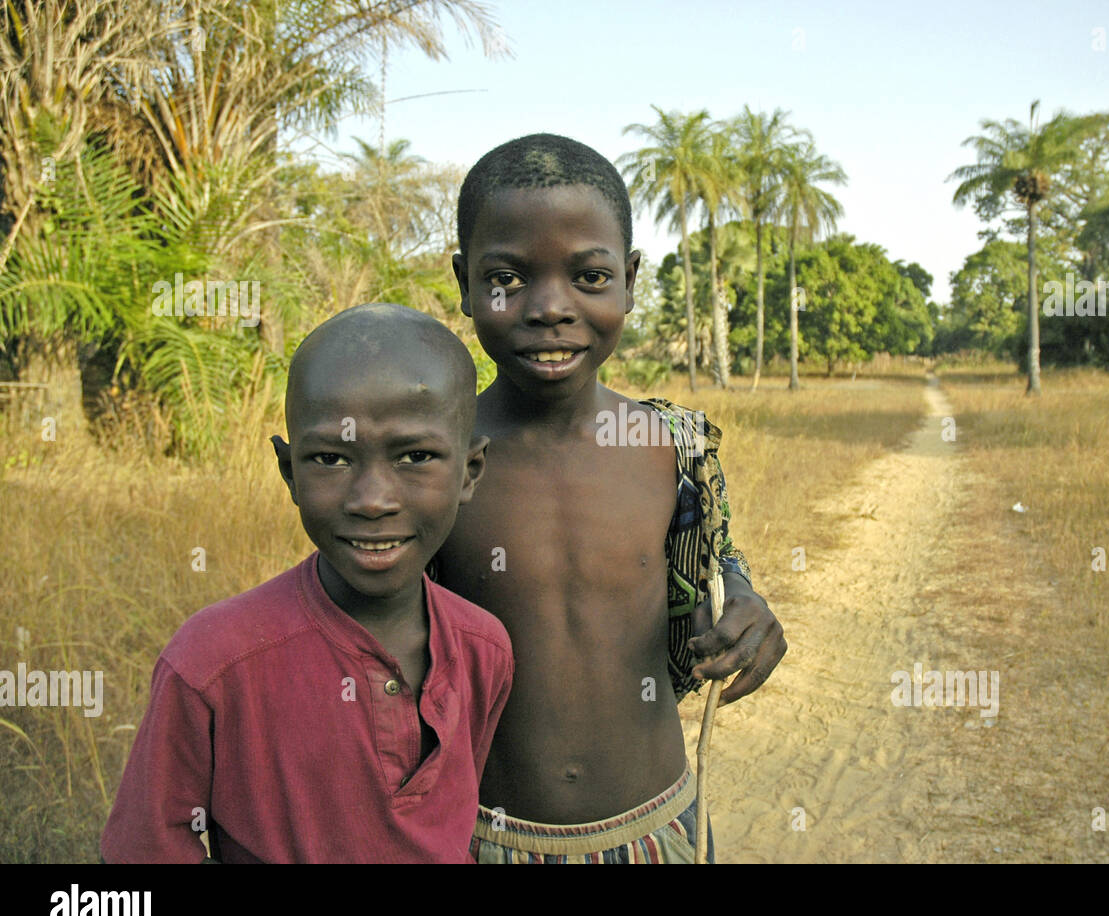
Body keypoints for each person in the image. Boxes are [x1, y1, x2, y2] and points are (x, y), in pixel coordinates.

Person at [436, 133, 787, 863]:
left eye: (589, 277)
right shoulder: (433, 461)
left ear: (629, 280)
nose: (550, 308)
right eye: (507, 278)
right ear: (465, 282)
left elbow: (718, 555)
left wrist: (748, 605)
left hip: (658, 830)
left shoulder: (674, 447)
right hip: (480, 838)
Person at [100, 304, 511, 863]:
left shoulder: (483, 649)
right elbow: (142, 850)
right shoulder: (213, 662)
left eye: (416, 456)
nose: (372, 500)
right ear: (289, 471)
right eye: (332, 458)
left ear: (469, 471)